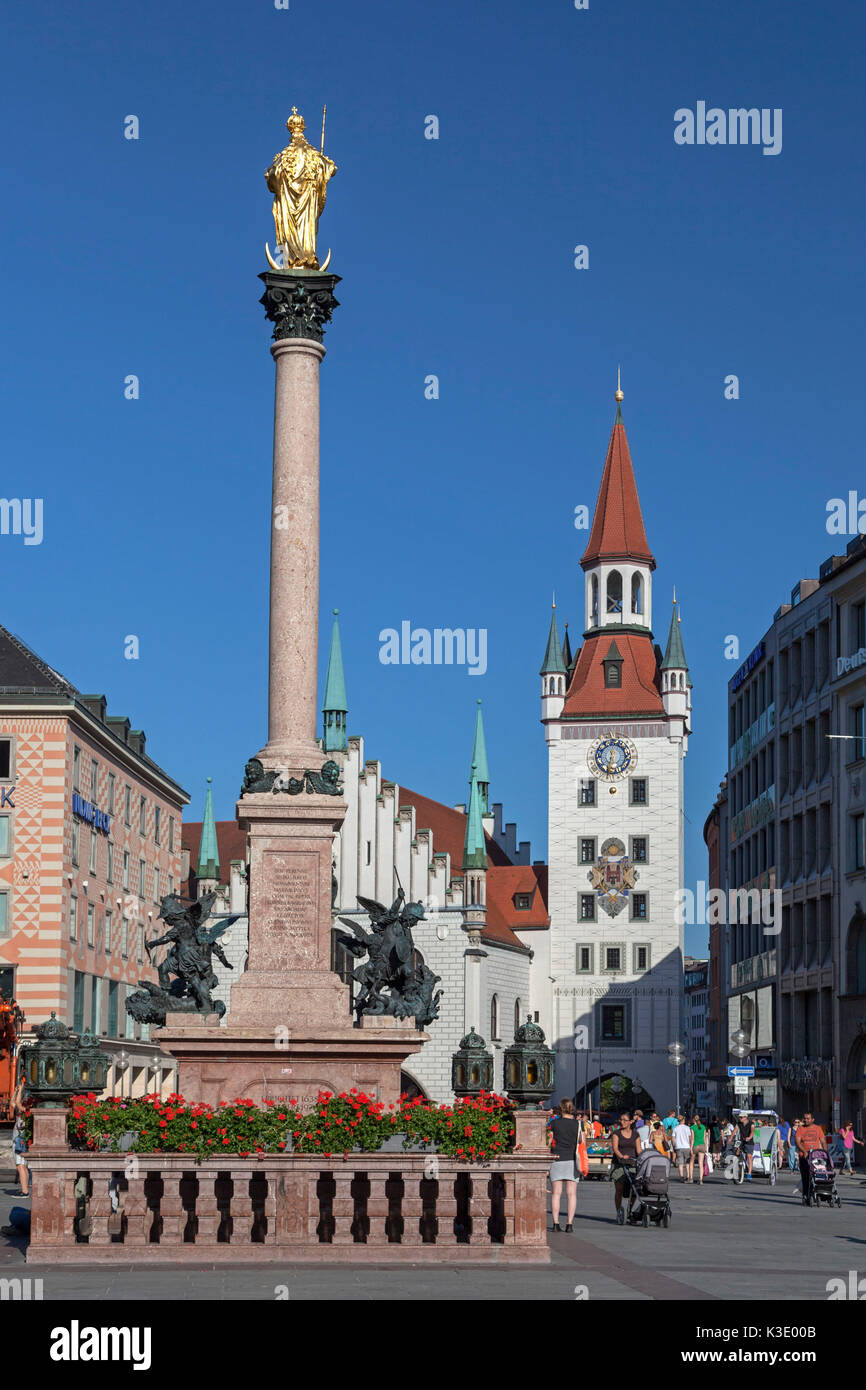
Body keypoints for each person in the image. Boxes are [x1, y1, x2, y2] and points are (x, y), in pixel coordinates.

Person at [548, 1097, 581, 1232]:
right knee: (571, 1194)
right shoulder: (578, 1124)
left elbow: (549, 1140)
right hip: (572, 1160)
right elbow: (581, 1141)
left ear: (560, 1108)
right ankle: (569, 1224)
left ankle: (555, 1223)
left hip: (557, 1159)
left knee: (556, 1193)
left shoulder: (554, 1123)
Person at [611, 1111, 642, 1224]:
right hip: (619, 1164)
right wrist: (621, 1156)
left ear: (630, 1122)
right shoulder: (616, 1133)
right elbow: (615, 1148)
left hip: (632, 1164)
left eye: (625, 1120)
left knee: (634, 1190)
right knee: (619, 1189)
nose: (622, 1122)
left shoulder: (635, 1134)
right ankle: (619, 1211)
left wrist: (643, 1157)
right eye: (621, 1120)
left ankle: (629, 1211)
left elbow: (639, 1150)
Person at [795, 1112, 827, 1203]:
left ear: (813, 1119)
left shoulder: (818, 1128)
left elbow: (823, 1141)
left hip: (815, 1157)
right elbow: (797, 1142)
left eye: (808, 1118)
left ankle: (816, 1193)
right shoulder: (800, 1129)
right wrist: (804, 1151)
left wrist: (826, 1154)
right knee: (805, 1177)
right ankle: (806, 1195)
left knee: (817, 1176)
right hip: (804, 1157)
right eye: (805, 1118)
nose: (806, 1120)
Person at [11, 1082, 29, 1198]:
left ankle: (25, 1191)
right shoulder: (20, 1108)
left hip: (20, 1139)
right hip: (18, 1138)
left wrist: (21, 1090)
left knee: (20, 1165)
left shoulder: (26, 1109)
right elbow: (12, 1103)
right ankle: (25, 1188)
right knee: (23, 1165)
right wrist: (16, 1091)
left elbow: (17, 1103)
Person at [672, 1115, 693, 1182]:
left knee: (680, 1163)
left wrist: (674, 1146)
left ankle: (681, 1177)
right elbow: (690, 1138)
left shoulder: (675, 1128)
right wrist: (690, 1146)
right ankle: (688, 1176)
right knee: (687, 1163)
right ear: (683, 1120)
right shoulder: (687, 1128)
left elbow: (673, 1139)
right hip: (687, 1147)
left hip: (678, 1147)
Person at [689, 1113, 708, 1184]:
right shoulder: (703, 1127)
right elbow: (704, 1138)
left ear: (693, 1120)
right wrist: (706, 1147)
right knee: (700, 1163)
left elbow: (692, 1139)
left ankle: (690, 1178)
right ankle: (700, 1179)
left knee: (691, 1162)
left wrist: (691, 1148)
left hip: (695, 1145)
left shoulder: (692, 1127)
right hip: (702, 1145)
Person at [736, 1112, 755, 1180]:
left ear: (745, 1117)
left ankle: (749, 1173)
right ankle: (739, 1166)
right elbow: (735, 1130)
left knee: (749, 1156)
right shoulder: (739, 1123)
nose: (740, 1118)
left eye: (741, 1117)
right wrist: (730, 1138)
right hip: (741, 1141)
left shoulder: (751, 1124)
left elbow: (753, 1131)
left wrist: (749, 1137)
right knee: (736, 1153)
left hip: (749, 1141)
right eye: (739, 1117)